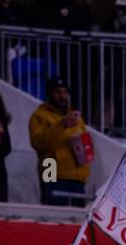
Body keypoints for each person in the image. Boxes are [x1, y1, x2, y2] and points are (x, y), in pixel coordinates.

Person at [29, 77, 91, 206]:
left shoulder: (76, 117)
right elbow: (38, 143)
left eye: (64, 92)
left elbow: (85, 144)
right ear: (49, 94)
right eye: (57, 92)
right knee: (52, 213)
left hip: (76, 175)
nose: (62, 96)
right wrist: (60, 125)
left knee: (76, 219)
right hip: (50, 168)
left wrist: (84, 172)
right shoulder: (39, 115)